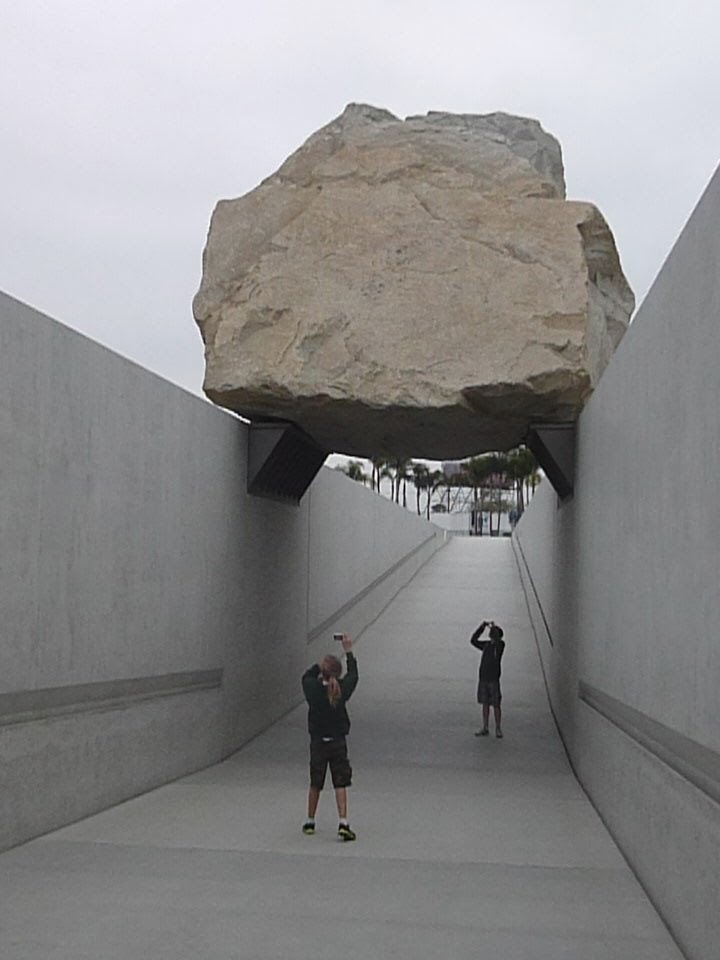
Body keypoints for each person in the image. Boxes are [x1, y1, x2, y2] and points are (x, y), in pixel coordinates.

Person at [301, 633, 358, 841]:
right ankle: (343, 822)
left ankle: (310, 820)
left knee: (316, 782)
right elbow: (354, 676)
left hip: (318, 742)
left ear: (322, 674)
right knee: (340, 782)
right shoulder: (341, 690)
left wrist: (319, 665)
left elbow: (306, 677)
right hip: (337, 743)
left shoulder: (313, 689)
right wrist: (348, 651)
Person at [470, 620, 505, 738]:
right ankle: (485, 727)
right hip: (484, 678)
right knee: (485, 704)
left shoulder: (499, 646)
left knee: (496, 704)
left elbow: (498, 641)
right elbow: (473, 640)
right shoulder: (486, 645)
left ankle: (498, 728)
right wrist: (482, 627)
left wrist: (493, 627)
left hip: (493, 679)